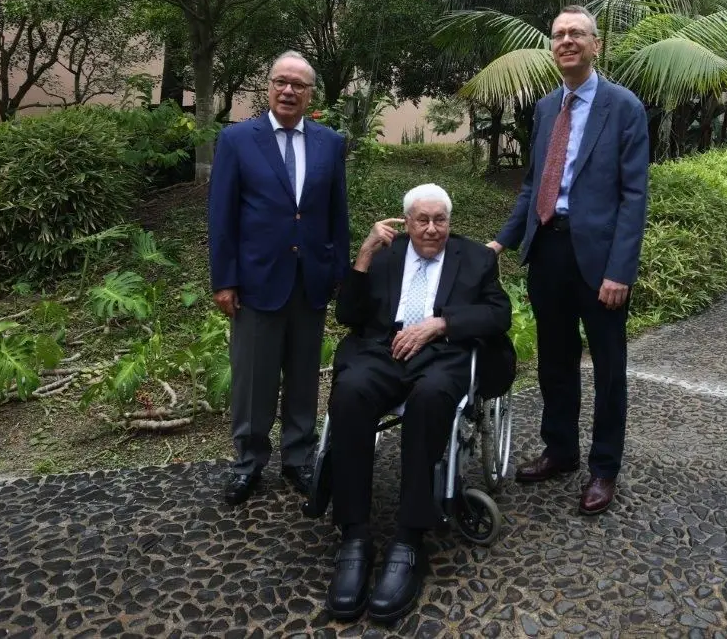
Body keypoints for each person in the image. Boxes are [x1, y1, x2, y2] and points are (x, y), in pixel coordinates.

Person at [323, 184, 512, 623]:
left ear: (449, 221)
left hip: (441, 358)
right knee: (349, 393)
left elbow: (498, 314)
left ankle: (409, 538)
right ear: (406, 222)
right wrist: (364, 257)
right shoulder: (386, 254)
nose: (431, 229)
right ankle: (355, 536)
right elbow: (348, 316)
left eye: (439, 220)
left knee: (429, 399)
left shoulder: (476, 259)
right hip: (382, 353)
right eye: (421, 220)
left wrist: (442, 324)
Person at [488, 5, 649, 516]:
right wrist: (501, 242)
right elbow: (535, 184)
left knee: (608, 368)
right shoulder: (543, 108)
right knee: (555, 362)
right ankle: (560, 450)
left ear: (596, 45)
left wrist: (620, 270)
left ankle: (604, 468)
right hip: (549, 253)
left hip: (599, 260)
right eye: (558, 35)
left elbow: (633, 195)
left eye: (576, 33)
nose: (566, 41)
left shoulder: (623, 107)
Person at [207, 50, 350, 505]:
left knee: (305, 375)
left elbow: (336, 215)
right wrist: (224, 280)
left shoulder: (330, 142)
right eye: (281, 82)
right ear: (268, 87)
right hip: (255, 282)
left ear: (311, 94)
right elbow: (222, 217)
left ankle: (298, 457)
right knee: (253, 378)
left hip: (310, 281)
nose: (288, 91)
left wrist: (339, 273)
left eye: (299, 85)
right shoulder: (236, 140)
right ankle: (248, 463)